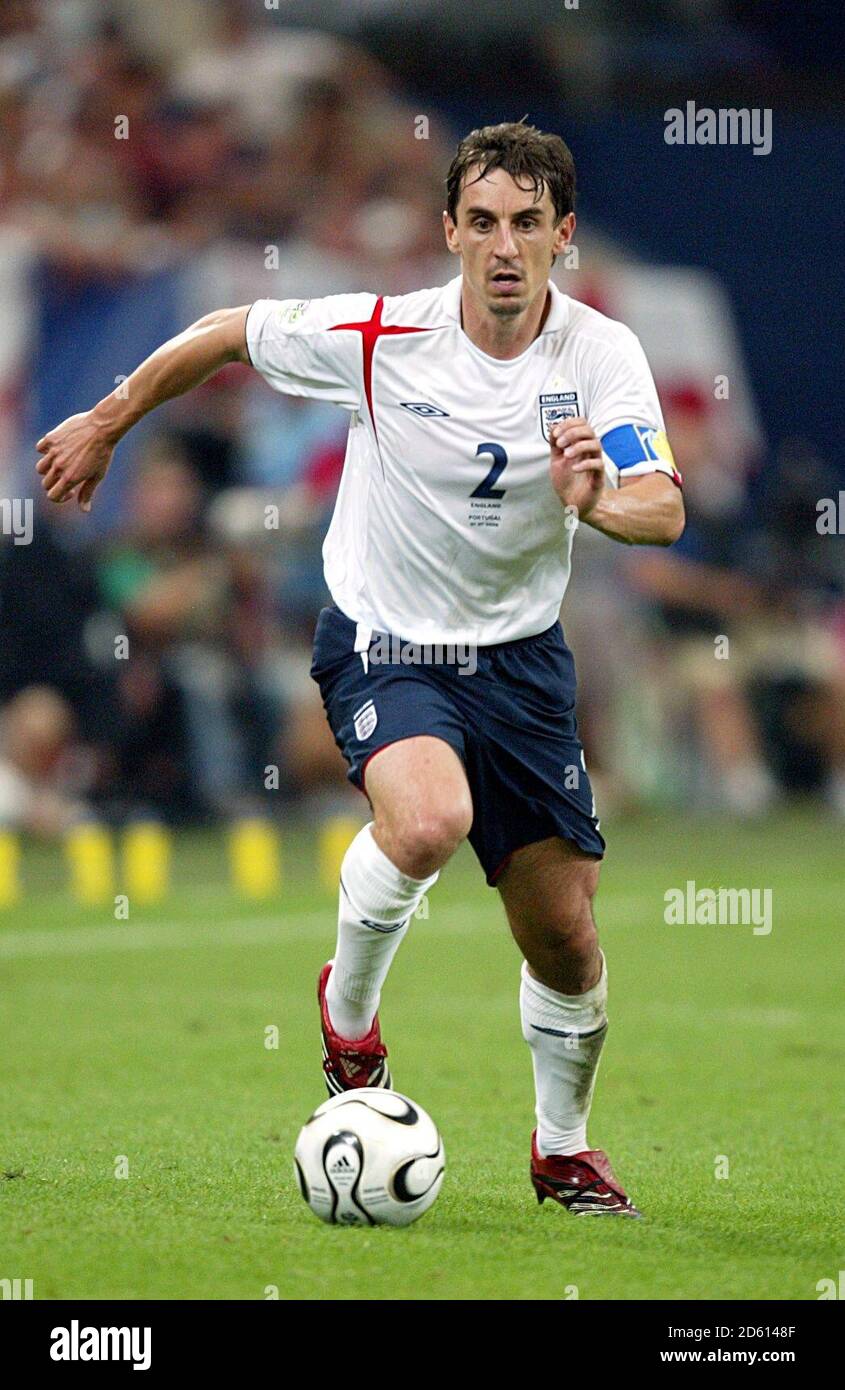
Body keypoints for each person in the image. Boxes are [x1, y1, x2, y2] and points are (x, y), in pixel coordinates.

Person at [34, 121, 685, 1218]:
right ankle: (349, 1022)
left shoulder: (599, 356)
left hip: (521, 662)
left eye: (527, 223)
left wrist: (594, 504)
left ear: (563, 234)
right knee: (427, 819)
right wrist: (107, 422)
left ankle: (563, 1151)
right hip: (387, 641)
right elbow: (227, 332)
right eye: (481, 222)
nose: (504, 247)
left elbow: (658, 506)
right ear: (449, 232)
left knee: (566, 940)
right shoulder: (382, 334)